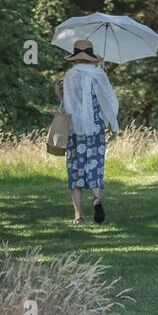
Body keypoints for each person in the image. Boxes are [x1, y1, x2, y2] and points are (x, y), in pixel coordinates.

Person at [56, 39, 119, 224]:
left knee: (75, 167)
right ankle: (96, 199)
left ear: (75, 57)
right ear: (91, 57)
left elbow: (67, 105)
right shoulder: (99, 75)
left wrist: (58, 93)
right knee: (94, 165)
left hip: (75, 129)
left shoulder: (70, 76)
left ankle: (78, 216)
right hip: (96, 129)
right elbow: (110, 102)